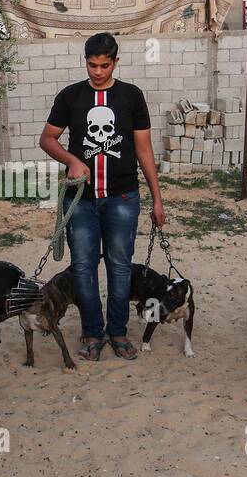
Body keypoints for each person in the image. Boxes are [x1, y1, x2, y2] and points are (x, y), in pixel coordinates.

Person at [40, 31, 166, 361]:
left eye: (104, 65)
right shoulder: (70, 96)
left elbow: (144, 149)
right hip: (80, 201)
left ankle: (119, 332)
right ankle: (93, 333)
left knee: (120, 267)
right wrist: (72, 161)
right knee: (82, 268)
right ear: (85, 62)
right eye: (92, 65)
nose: (98, 72)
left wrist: (157, 199)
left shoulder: (131, 96)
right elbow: (48, 139)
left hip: (122, 198)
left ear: (116, 62)